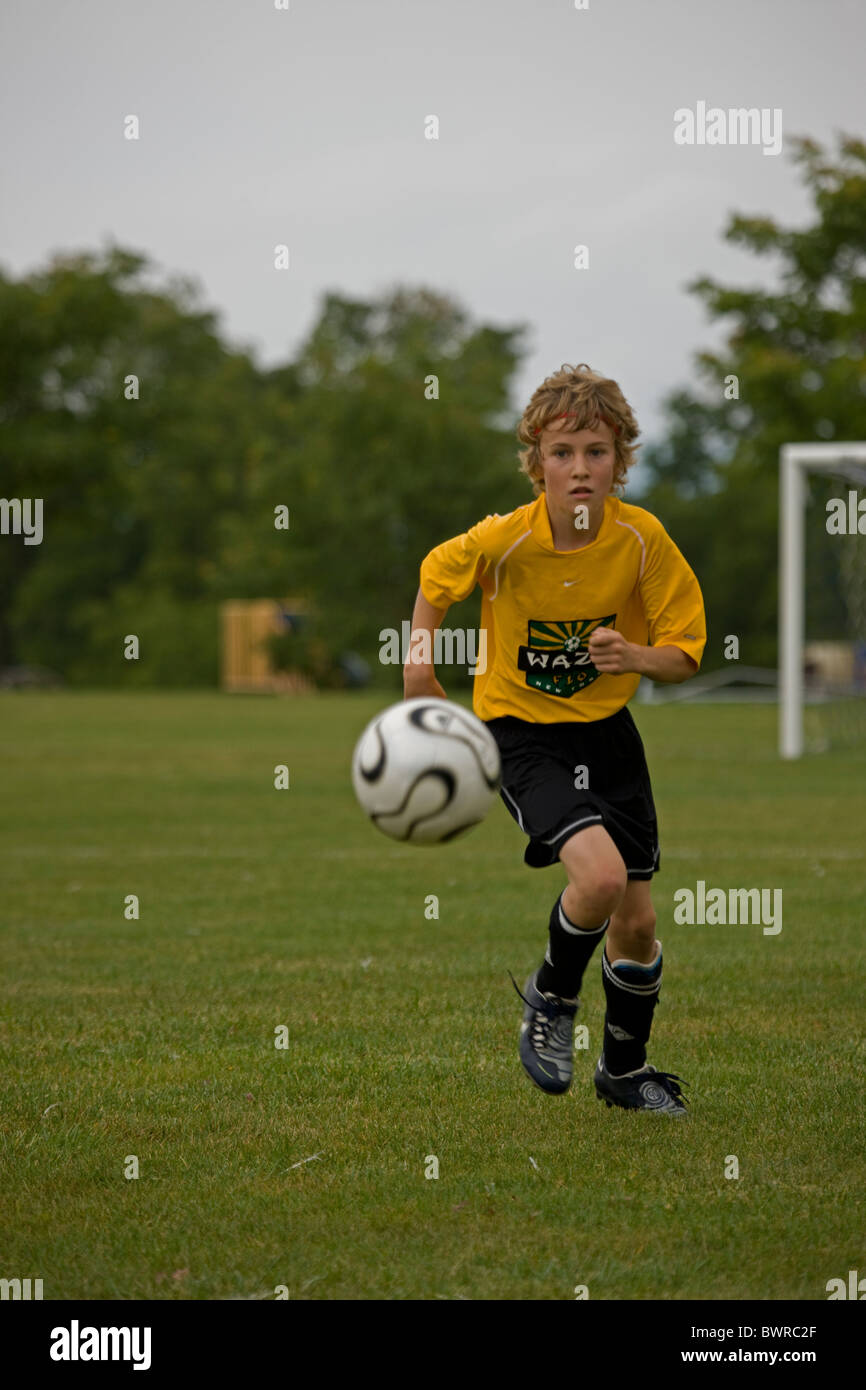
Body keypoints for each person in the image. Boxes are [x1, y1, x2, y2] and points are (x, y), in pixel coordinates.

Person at [403, 363, 706, 1114]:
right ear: (536, 459)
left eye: (595, 452)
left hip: (608, 736)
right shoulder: (505, 540)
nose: (579, 469)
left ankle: (623, 1073)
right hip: (520, 733)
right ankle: (550, 995)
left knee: (637, 921)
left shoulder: (642, 542)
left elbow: (685, 650)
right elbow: (435, 577)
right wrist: (419, 664)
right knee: (599, 881)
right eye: (563, 451)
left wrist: (635, 657)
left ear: (620, 462)